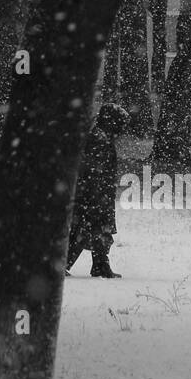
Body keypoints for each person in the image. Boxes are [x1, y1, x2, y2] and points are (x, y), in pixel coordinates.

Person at [66, 103, 129, 278]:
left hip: (99, 193)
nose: (122, 131)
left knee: (100, 230)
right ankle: (64, 263)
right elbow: (91, 171)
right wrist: (94, 195)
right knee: (85, 229)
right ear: (112, 122)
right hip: (93, 194)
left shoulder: (101, 137)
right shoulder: (97, 140)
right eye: (121, 125)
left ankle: (100, 265)